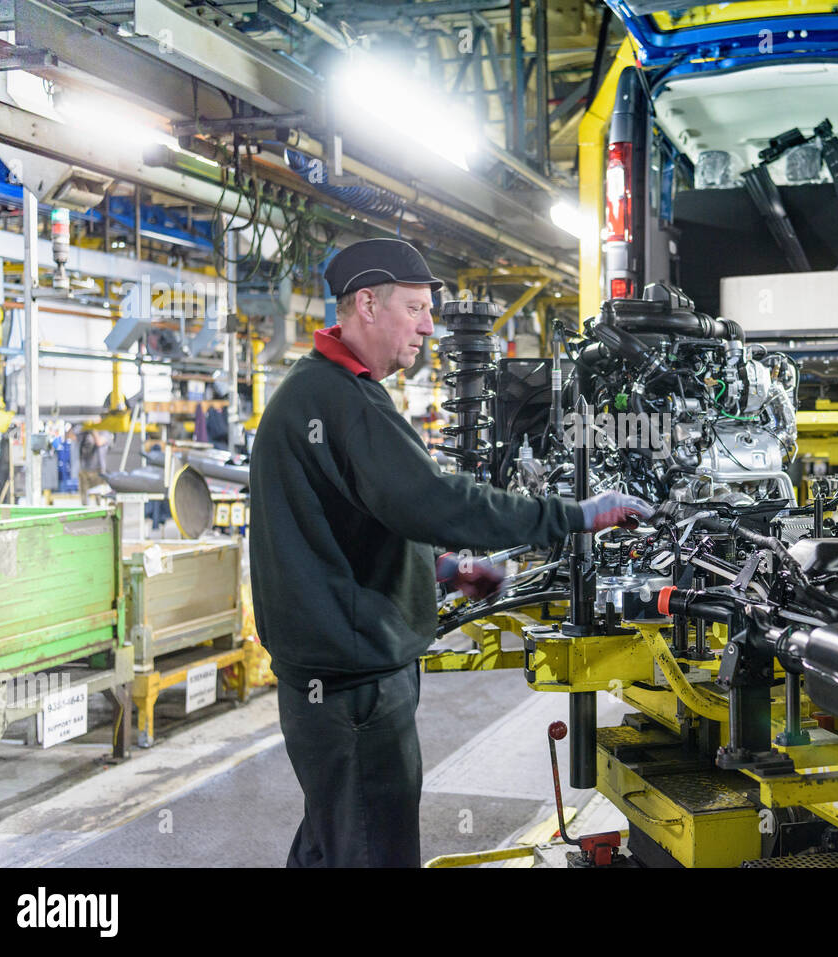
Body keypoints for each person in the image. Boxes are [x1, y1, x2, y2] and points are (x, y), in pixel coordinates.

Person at [248, 238, 651, 868]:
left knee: (334, 838)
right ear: (367, 304)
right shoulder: (345, 401)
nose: (430, 327)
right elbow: (436, 501)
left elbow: (347, 525)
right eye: (415, 309)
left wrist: (438, 569)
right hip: (356, 691)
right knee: (369, 847)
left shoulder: (315, 390)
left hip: (330, 679)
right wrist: (573, 515)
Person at [77, 427, 108, 504]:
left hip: (98, 470)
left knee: (100, 498)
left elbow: (99, 442)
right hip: (84, 470)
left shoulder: (105, 432)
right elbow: (71, 436)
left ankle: (102, 514)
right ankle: (85, 514)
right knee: (84, 497)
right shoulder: (85, 432)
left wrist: (93, 430)